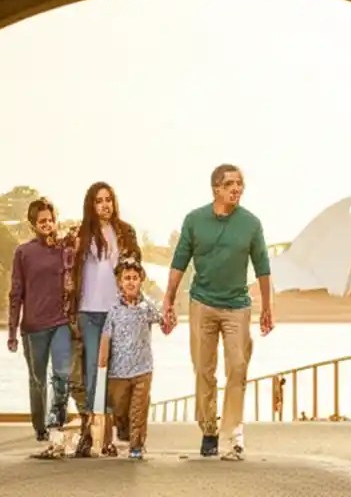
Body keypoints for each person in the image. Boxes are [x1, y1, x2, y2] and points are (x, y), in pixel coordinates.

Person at [163, 163, 274, 461]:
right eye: (230, 184)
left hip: (237, 305)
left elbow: (263, 267)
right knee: (203, 368)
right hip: (202, 303)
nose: (236, 188)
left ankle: (234, 433)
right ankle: (209, 429)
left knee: (238, 367)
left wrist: (267, 308)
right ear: (216, 188)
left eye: (240, 184)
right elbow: (179, 262)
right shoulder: (195, 220)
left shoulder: (251, 223)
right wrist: (168, 301)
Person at [69, 181, 143, 458]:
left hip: (117, 313)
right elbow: (68, 269)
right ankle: (90, 434)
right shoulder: (81, 233)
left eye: (108, 199)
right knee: (91, 374)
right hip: (89, 312)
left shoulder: (125, 232)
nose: (104, 205)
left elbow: (136, 265)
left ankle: (111, 436)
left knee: (114, 377)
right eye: (99, 200)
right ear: (91, 204)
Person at [7, 197, 75, 457]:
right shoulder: (23, 253)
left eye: (50, 219)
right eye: (42, 221)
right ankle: (40, 427)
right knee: (38, 380)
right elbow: (16, 293)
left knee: (61, 374)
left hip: (60, 322)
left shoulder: (65, 250)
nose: (47, 224)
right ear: (33, 224)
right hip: (33, 327)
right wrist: (12, 332)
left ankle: (55, 422)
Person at [98, 258, 172, 460]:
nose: (131, 282)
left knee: (139, 410)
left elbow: (165, 326)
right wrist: (102, 362)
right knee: (120, 411)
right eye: (127, 278)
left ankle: (137, 446)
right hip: (118, 371)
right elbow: (106, 336)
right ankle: (124, 433)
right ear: (120, 283)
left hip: (142, 368)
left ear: (141, 281)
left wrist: (169, 318)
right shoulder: (114, 309)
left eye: (135, 278)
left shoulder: (147, 307)